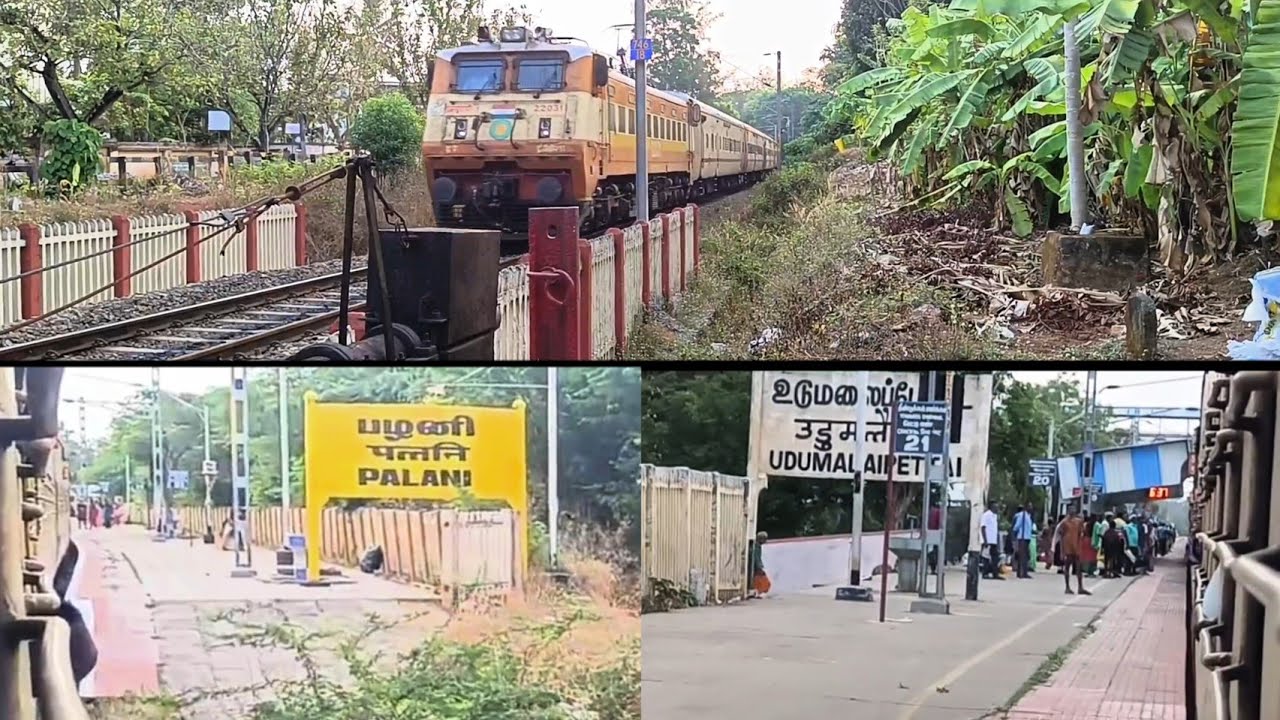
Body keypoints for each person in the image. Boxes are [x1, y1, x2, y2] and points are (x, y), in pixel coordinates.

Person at [1053, 505, 1092, 595]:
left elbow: (1082, 534)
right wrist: (1062, 551)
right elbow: (1061, 536)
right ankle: (1067, 587)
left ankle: (1080, 587)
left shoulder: (1079, 522)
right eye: (1070, 509)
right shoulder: (1064, 522)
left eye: (1073, 509)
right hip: (1068, 548)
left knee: (1078, 568)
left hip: (1076, 547)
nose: (1072, 511)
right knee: (1067, 567)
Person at [1011, 503, 1035, 578]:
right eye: (1029, 506)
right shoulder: (1022, 515)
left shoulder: (1029, 516)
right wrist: (1014, 535)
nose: (1031, 508)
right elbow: (1017, 526)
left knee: (1026, 556)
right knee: (1022, 556)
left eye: (1031, 507)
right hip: (1022, 538)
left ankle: (1024, 572)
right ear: (1026, 507)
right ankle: (1020, 573)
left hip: (1027, 537)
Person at [980, 502, 1003, 579]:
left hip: (994, 541)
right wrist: (985, 540)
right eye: (996, 507)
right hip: (988, 541)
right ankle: (985, 573)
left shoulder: (995, 516)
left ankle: (995, 574)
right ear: (992, 507)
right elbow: (983, 527)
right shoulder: (986, 515)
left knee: (995, 559)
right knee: (986, 558)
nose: (997, 509)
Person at [751, 531, 771, 597]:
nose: (765, 541)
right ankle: (759, 592)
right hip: (756, 567)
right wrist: (759, 566)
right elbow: (756, 557)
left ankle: (757, 592)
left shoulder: (756, 545)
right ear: (761, 539)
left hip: (755, 566)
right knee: (765, 582)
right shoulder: (757, 546)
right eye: (765, 539)